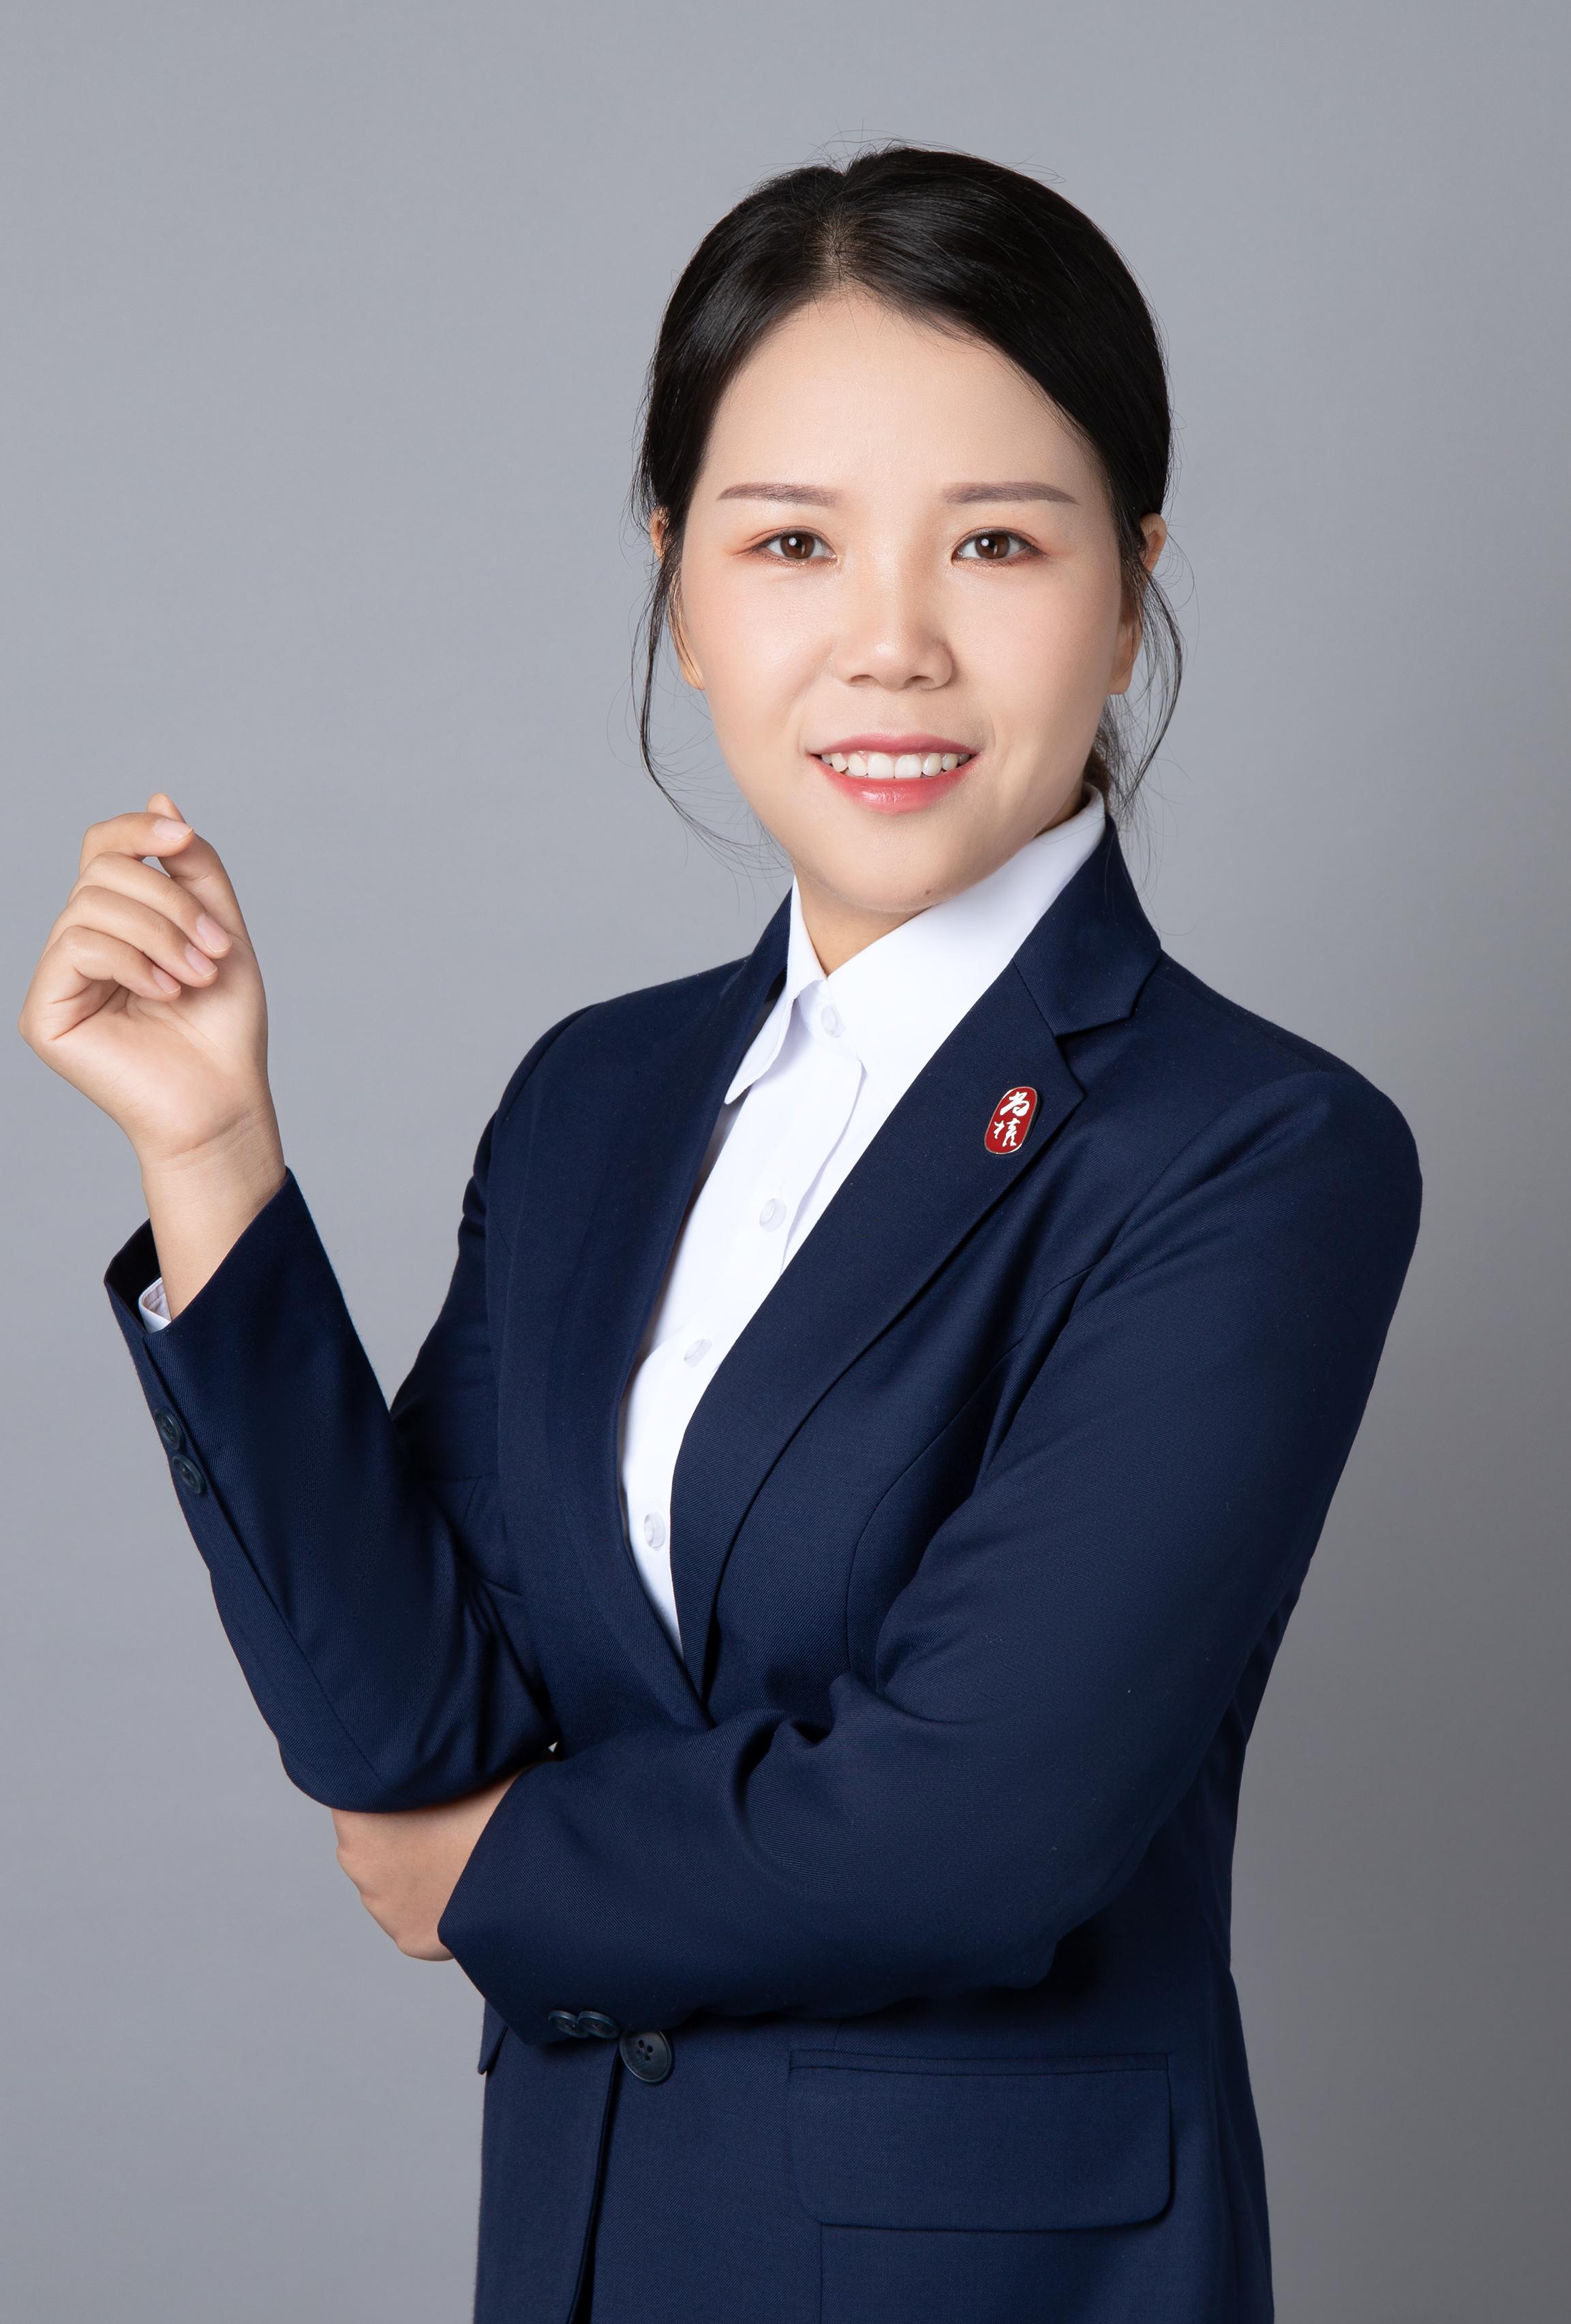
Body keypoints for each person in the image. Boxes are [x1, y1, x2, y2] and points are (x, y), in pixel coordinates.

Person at [19, 146, 1421, 2324]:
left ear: (1130, 589)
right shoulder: (601, 1096)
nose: (893, 646)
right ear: (680, 587)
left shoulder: (1253, 1149)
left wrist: (493, 1879)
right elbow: (411, 1721)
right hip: (587, 2255)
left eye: (997, 542)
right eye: (791, 543)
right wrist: (212, 1155)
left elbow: (979, 1829)